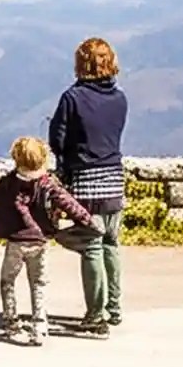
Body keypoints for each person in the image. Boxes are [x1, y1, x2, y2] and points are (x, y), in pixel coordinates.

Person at [0, 137, 103, 345]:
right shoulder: (48, 184)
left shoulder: (8, 182)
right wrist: (89, 222)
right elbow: (69, 204)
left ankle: (11, 323)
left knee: (7, 282)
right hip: (40, 241)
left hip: (16, 242)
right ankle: (39, 326)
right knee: (38, 283)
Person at [49, 37, 128, 338]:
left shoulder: (72, 97)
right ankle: (114, 307)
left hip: (86, 181)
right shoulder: (120, 98)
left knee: (92, 246)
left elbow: (58, 137)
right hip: (114, 179)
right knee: (110, 243)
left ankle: (96, 316)